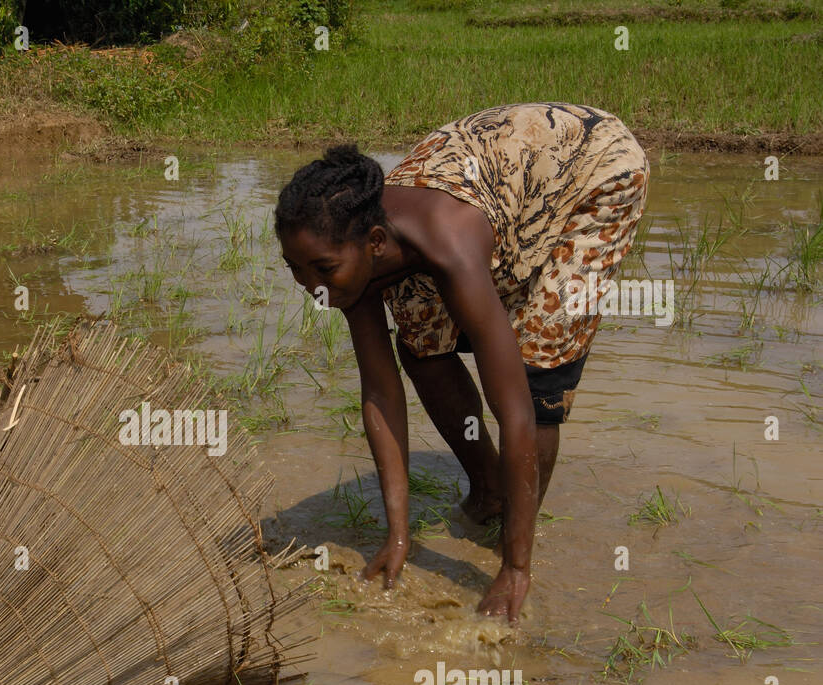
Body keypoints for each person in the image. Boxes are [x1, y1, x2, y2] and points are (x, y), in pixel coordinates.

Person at [274, 102, 649, 623]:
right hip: (494, 173)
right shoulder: (351, 251)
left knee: (536, 362)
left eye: (322, 269)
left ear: (375, 243)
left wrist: (516, 570)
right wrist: (398, 535)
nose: (310, 286)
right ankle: (490, 490)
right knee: (423, 345)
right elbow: (381, 392)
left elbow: (514, 408)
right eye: (294, 269)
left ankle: (517, 535)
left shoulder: (449, 245)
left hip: (593, 170)